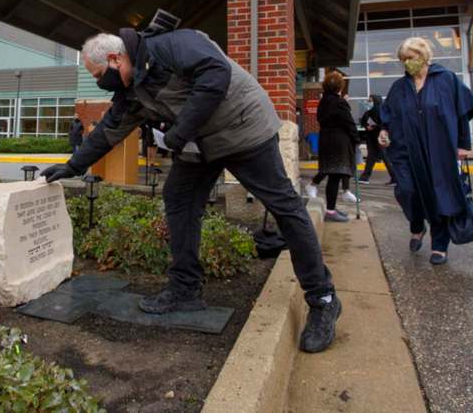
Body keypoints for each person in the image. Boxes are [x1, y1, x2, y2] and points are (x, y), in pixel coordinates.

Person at [41, 27, 341, 353]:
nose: (100, 82)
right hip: (200, 142)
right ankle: (185, 289)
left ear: (115, 58)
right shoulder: (132, 91)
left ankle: (323, 299)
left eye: (99, 75)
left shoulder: (173, 45)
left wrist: (178, 133)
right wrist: (72, 166)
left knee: (284, 206)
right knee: (179, 199)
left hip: (243, 127)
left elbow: (216, 75)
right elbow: (108, 131)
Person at [377, 37, 473, 266]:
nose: (407, 64)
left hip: (439, 149)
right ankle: (416, 225)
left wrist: (463, 144)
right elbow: (388, 115)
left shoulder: (446, 80)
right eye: (403, 60)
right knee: (406, 190)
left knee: (438, 195)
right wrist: (383, 131)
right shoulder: (399, 87)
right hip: (406, 150)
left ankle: (439, 245)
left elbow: (461, 113)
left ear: (424, 57)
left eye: (410, 58)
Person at [308, 71, 360, 222]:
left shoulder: (323, 102)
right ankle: (330, 211)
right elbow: (349, 123)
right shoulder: (340, 102)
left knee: (333, 174)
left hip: (326, 139)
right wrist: (356, 138)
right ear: (340, 87)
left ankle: (332, 206)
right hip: (339, 141)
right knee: (335, 176)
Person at [359, 94, 395, 183]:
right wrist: (367, 126)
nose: (369, 102)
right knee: (371, 157)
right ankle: (364, 177)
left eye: (370, 101)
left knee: (385, 158)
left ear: (376, 101)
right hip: (371, 138)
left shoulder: (382, 112)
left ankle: (395, 178)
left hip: (380, 138)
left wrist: (375, 127)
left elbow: (386, 124)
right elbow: (363, 121)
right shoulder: (368, 112)